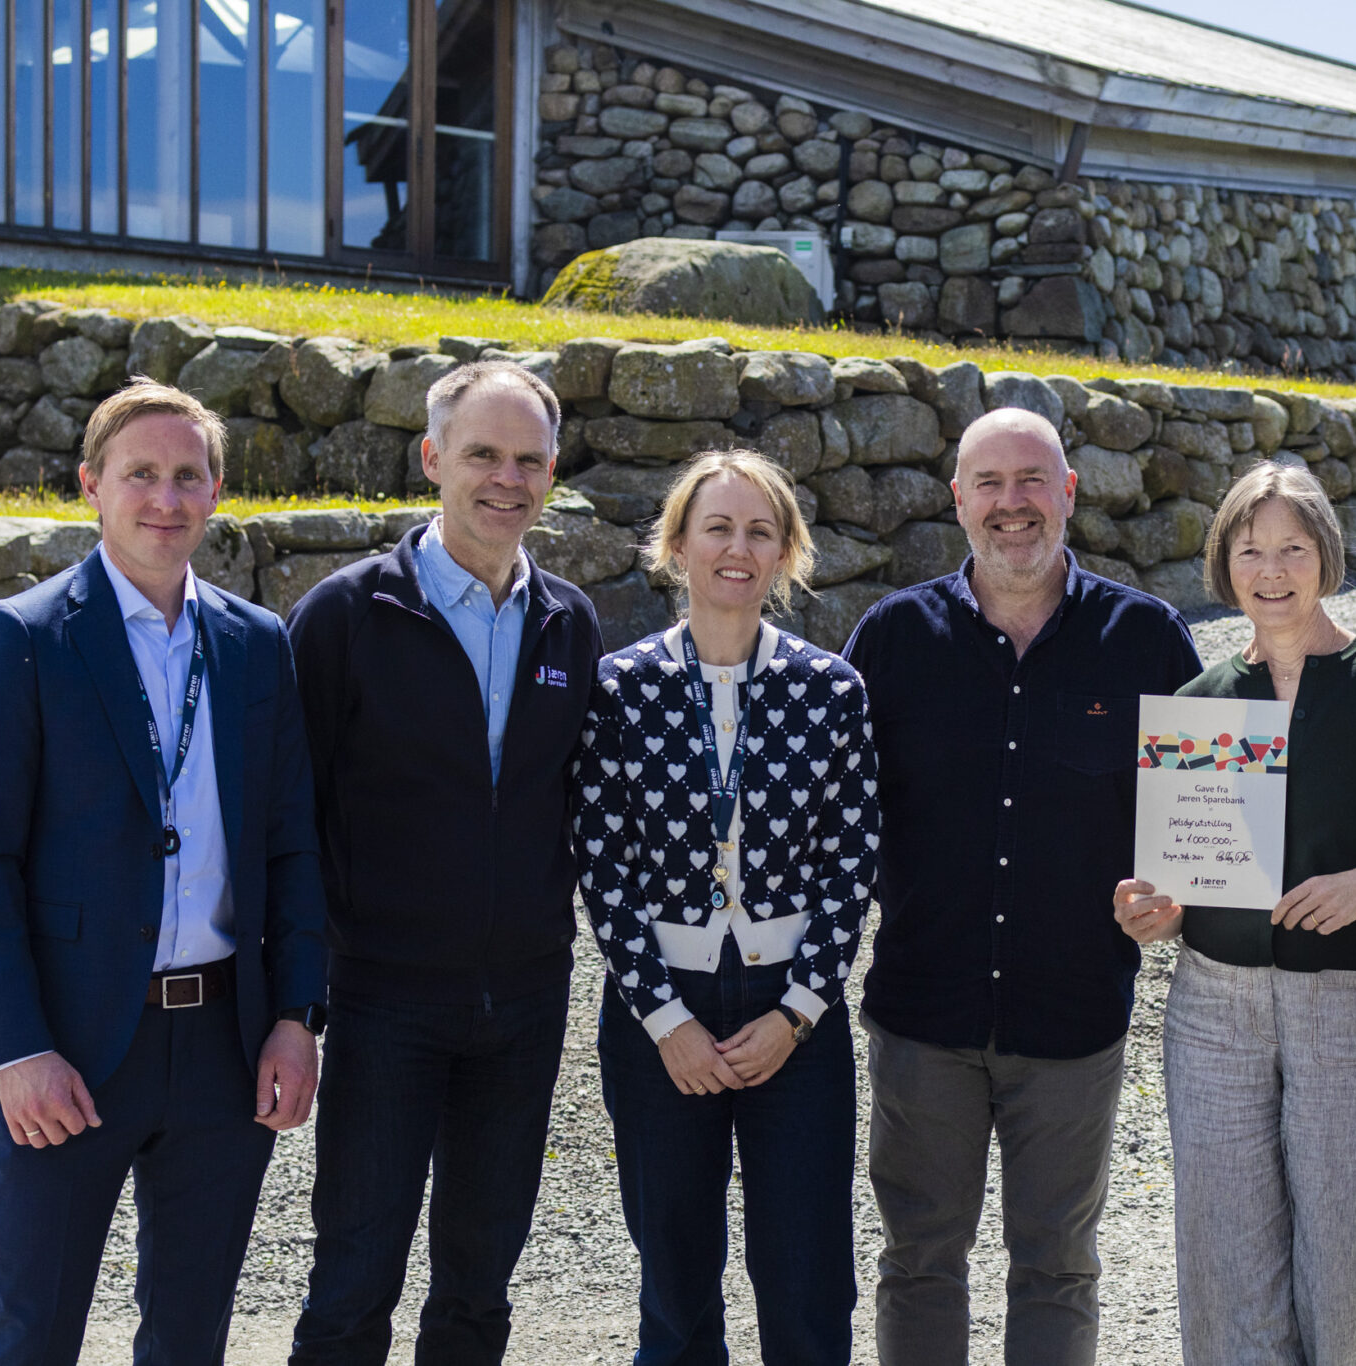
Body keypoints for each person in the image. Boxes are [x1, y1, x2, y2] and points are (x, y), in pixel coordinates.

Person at [0, 380, 327, 1365]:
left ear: (216, 491)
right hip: (71, 1049)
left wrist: (295, 1015)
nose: (166, 498)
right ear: (91, 486)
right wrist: (16, 1048)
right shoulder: (22, 639)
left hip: (224, 1045)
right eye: (141, 474)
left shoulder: (253, 645)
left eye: (187, 476)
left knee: (190, 1334)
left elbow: (291, 847)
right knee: (32, 1330)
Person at [842, 408, 1202, 1366]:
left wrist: (1174, 902)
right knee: (919, 1260)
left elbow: (1200, 826)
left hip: (1074, 1020)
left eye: (1033, 480)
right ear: (957, 500)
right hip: (924, 1017)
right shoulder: (890, 639)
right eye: (990, 483)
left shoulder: (1150, 642)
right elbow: (838, 817)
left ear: (1070, 494)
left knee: (1057, 1265)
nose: (1013, 504)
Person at [1114, 460, 1356, 1366]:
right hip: (1213, 1010)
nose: (1271, 570)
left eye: (1292, 549)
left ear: (1327, 557)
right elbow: (1175, 879)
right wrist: (1154, 910)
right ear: (1225, 564)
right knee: (1226, 1265)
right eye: (1250, 549)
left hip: (1352, 1005)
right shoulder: (1197, 709)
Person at [285, 361, 603, 1364]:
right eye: (482, 455)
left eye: (527, 459)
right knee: (351, 1284)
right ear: (432, 459)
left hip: (521, 1003)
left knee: (478, 1292)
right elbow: (289, 826)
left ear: (550, 474)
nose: (505, 479)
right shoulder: (343, 617)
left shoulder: (570, 622)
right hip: (385, 1001)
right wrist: (297, 1004)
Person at [573, 449, 878, 1365]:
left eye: (759, 531)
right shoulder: (620, 688)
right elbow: (603, 864)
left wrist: (799, 1012)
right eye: (717, 527)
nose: (736, 549)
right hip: (660, 1019)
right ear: (675, 545)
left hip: (795, 1016)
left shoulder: (830, 690)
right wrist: (665, 1021)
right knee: (673, 1284)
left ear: (787, 553)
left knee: (808, 1281)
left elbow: (850, 862)